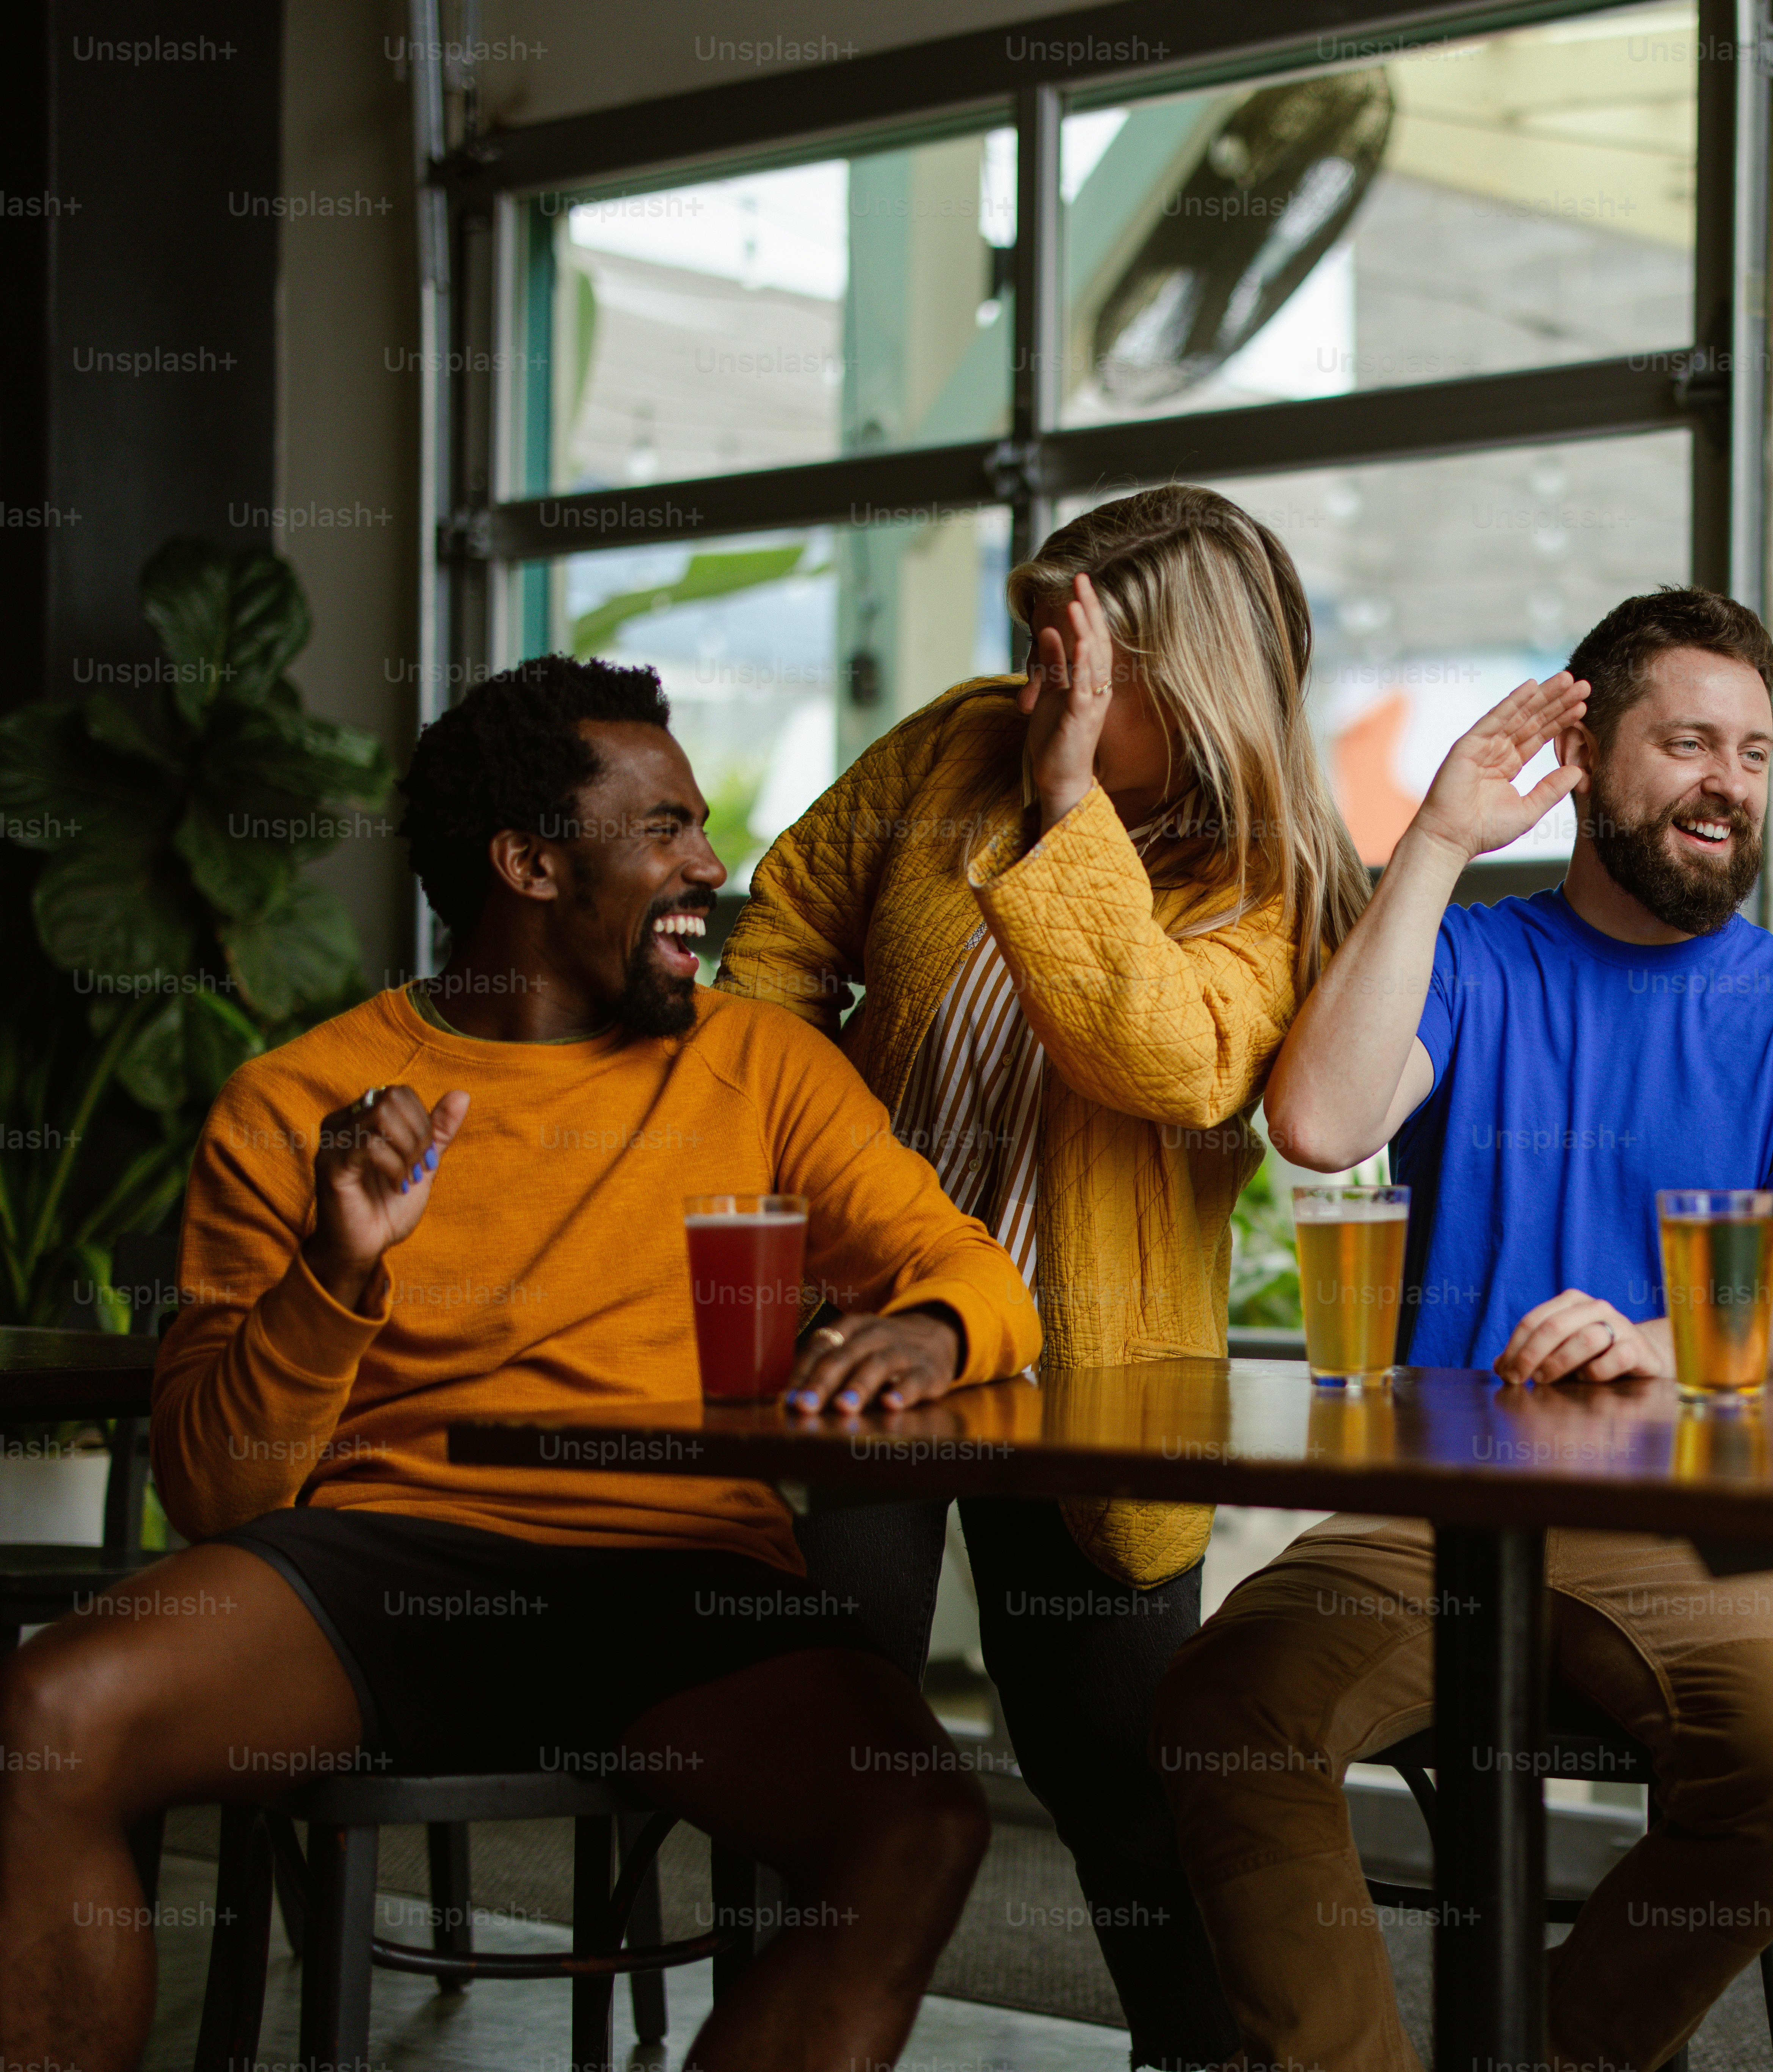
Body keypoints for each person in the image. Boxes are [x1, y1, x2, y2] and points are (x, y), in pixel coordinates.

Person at [0, 657, 1040, 2072]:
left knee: (918, 1819)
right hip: (379, 1564)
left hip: (681, 1572)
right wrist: (338, 1270)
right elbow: (218, 1493)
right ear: (531, 864)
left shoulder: (761, 1066)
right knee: (48, 1716)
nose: (709, 860)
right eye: (666, 826)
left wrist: (932, 1325)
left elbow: (979, 1272)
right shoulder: (298, 1102)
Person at [1155, 588, 1773, 2072]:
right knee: (1221, 1714)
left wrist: (1656, 1339)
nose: (1725, 781)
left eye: (1750, 751)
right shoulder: (1478, 958)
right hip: (1434, 1517)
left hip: (1695, 1521)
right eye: (1685, 741)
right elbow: (1315, 1121)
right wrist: (1433, 841)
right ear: (1585, 756)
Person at [715, 484, 1367, 2070]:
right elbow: (784, 930)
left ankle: (1199, 2057)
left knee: (1117, 1768)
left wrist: (1068, 797)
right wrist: (810, 1143)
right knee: (822, 1729)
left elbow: (1168, 1059)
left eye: (1085, 666)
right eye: (1037, 652)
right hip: (869, 1322)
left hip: (1097, 1376)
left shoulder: (1267, 868)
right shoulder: (952, 743)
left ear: (1189, 681)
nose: (1041, 691)